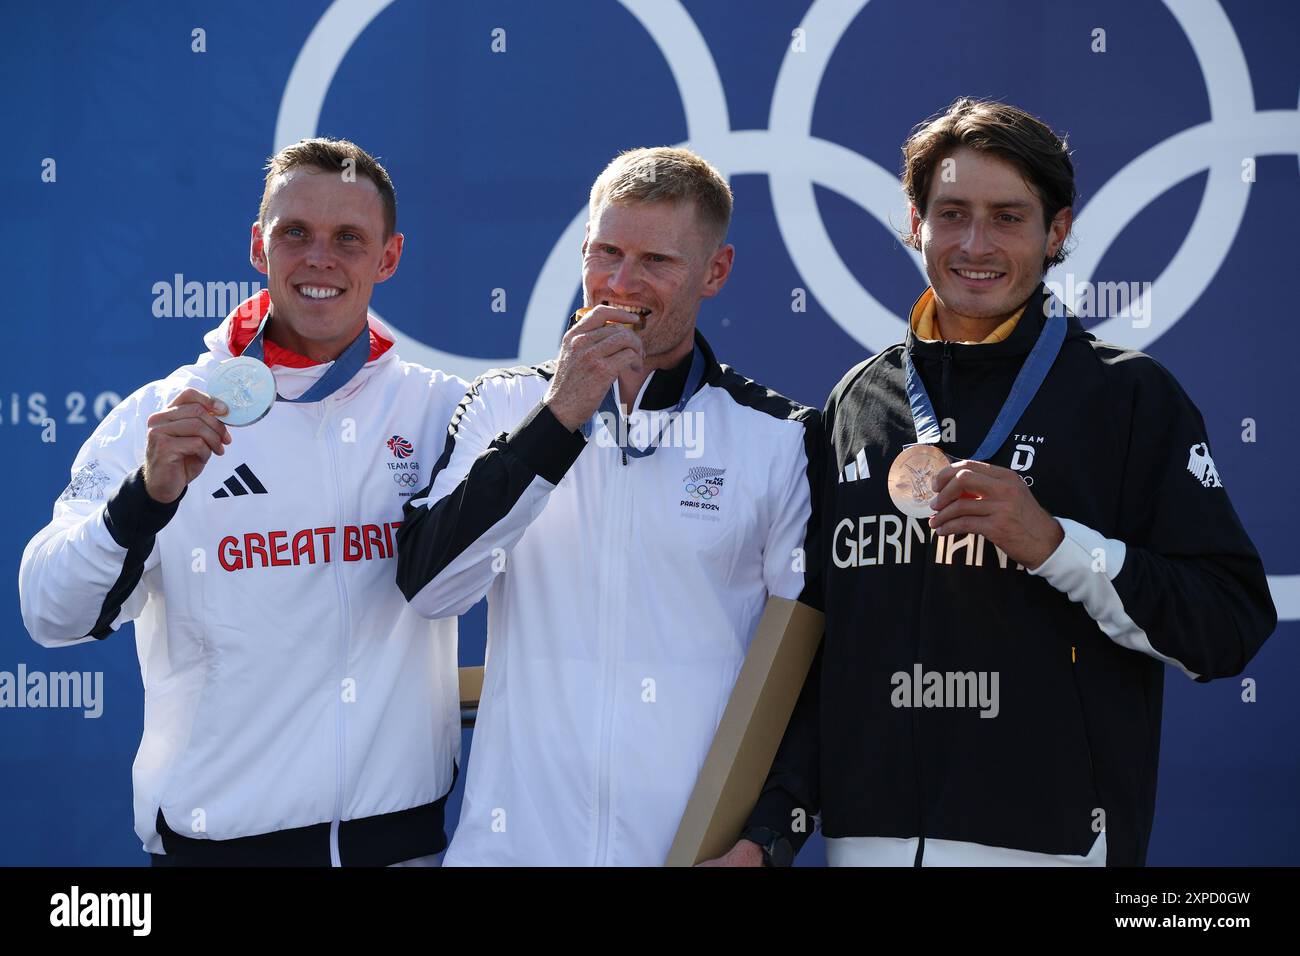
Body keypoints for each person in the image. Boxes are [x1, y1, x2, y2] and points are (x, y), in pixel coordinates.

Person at [715, 98, 1277, 867]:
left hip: (1049, 846)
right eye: (952, 214)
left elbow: (1230, 627)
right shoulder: (856, 402)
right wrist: (772, 834)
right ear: (915, 224)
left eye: (1008, 217)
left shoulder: (1130, 398)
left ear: (1057, 231)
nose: (975, 245)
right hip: (864, 845)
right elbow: (823, 647)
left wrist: (1055, 546)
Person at [19, 138, 468, 866]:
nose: (319, 259)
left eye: (348, 239)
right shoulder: (161, 414)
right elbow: (49, 613)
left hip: (400, 844)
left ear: (388, 258)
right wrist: (143, 499)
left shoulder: (443, 411)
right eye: (295, 233)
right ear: (259, 247)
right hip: (219, 847)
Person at [395, 146, 820, 866]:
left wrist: (767, 841)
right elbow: (432, 590)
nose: (620, 284)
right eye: (605, 253)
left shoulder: (777, 439)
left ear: (715, 272)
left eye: (657, 261)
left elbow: (812, 669)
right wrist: (559, 420)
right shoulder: (507, 404)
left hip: (687, 855)